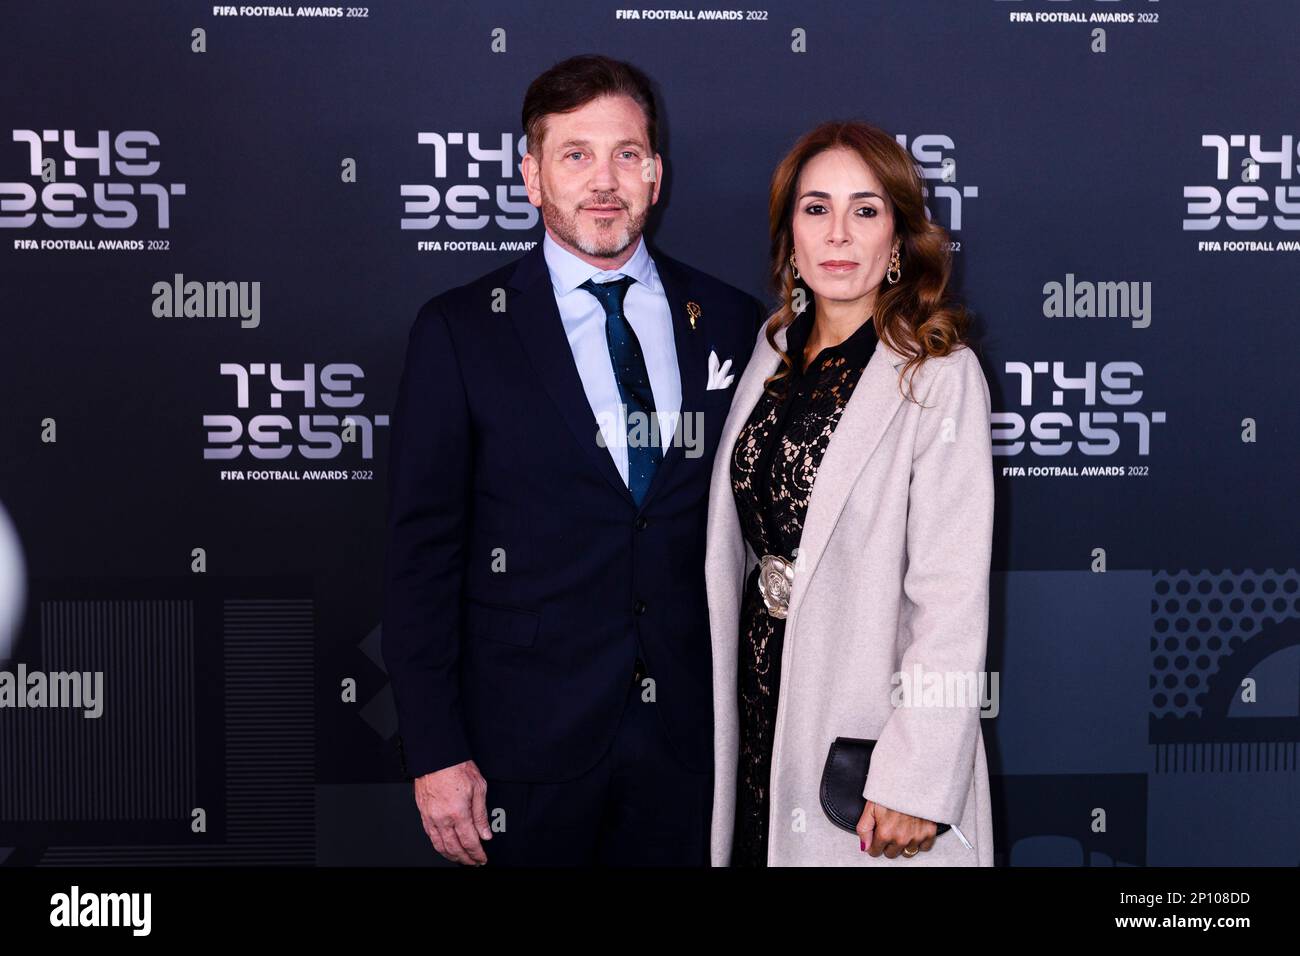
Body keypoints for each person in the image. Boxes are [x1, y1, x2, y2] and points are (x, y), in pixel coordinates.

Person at [381, 54, 766, 866]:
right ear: (532, 176)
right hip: (522, 756)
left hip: (693, 745)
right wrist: (435, 751)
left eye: (626, 154)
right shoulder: (462, 330)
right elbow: (421, 560)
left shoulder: (732, 322)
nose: (604, 181)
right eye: (575, 154)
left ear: (656, 174)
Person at [704, 120, 996, 866]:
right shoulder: (771, 351)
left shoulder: (938, 373)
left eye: (865, 210)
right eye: (815, 208)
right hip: (758, 718)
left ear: (897, 238)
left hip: (866, 740)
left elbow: (950, 595)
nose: (839, 232)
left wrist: (917, 777)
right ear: (789, 238)